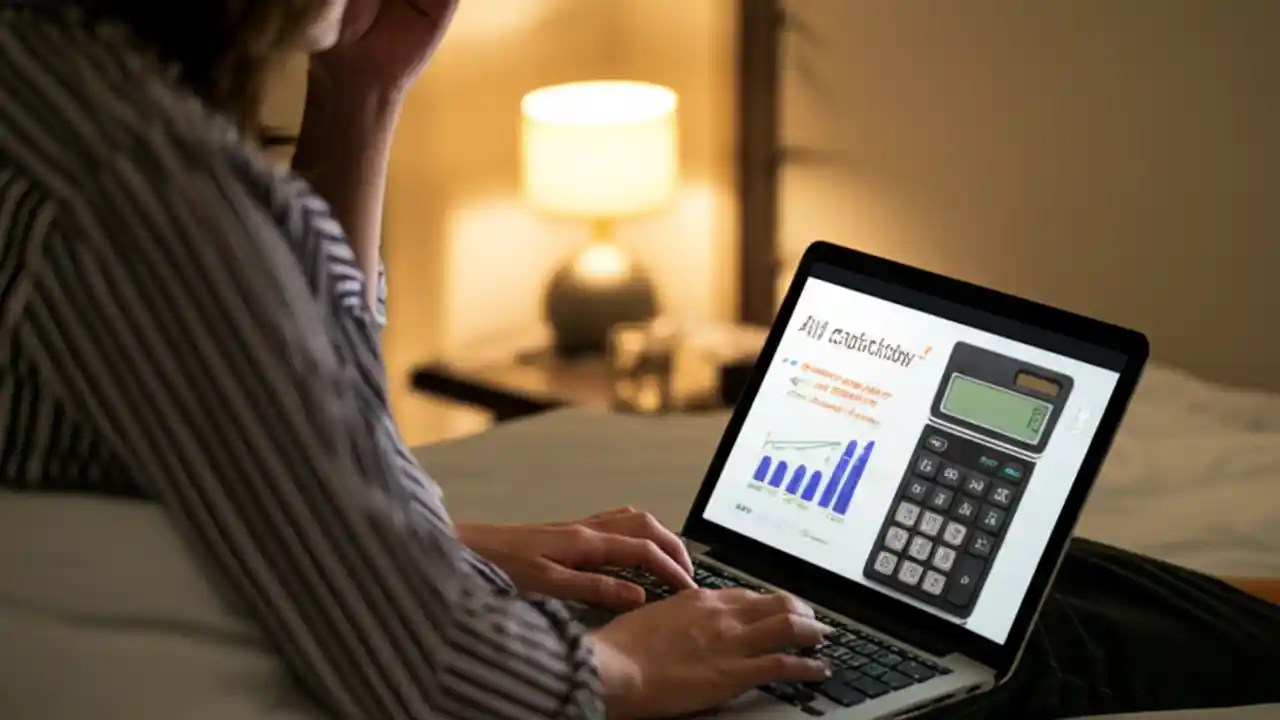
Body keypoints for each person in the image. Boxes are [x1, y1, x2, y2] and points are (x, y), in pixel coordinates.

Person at [0, 1, 1277, 719]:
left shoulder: (47, 87)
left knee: (963, 597)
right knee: (1024, 651)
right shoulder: (144, 191)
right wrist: (618, 669)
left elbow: (293, 413)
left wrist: (364, 96)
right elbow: (436, 671)